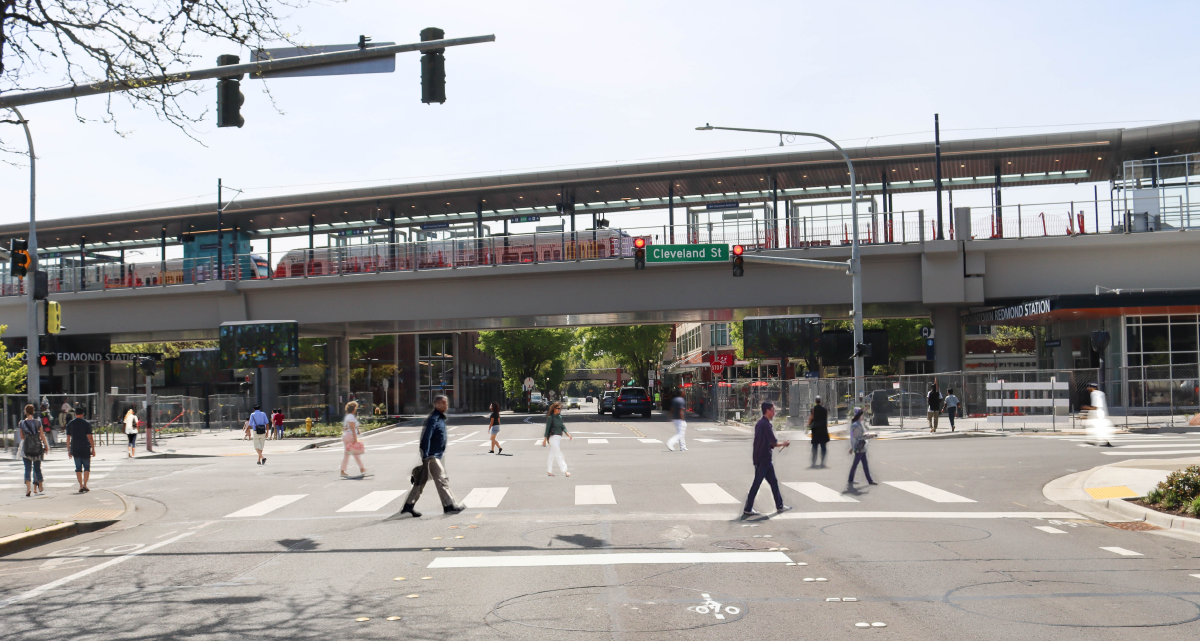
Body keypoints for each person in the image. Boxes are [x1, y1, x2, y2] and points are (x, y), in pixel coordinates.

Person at [401, 395, 464, 518]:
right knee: (442, 480)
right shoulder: (434, 419)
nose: (446, 405)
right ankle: (449, 506)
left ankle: (408, 506)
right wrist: (426, 455)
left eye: (446, 402)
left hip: (434, 455)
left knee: (420, 482)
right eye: (443, 403)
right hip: (431, 456)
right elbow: (426, 437)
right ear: (436, 405)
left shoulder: (439, 418)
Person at [743, 401, 792, 517]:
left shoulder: (760, 424)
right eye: (773, 410)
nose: (774, 413)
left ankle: (779, 505)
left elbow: (764, 442)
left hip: (762, 458)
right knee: (757, 483)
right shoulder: (765, 425)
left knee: (773, 482)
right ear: (767, 411)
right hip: (763, 458)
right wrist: (784, 444)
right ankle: (748, 508)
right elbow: (773, 442)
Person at [19, 404, 47, 496]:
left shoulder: (22, 423)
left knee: (27, 469)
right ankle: (41, 485)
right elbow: (42, 435)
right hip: (37, 447)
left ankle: (28, 490)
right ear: (33, 411)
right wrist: (45, 445)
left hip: (26, 448)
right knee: (37, 467)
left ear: (25, 412)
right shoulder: (38, 422)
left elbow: (22, 437)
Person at [65, 406, 95, 493]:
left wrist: (68, 450)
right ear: (82, 414)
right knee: (86, 468)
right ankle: (85, 484)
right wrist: (93, 448)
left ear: (75, 414)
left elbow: (68, 439)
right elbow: (90, 437)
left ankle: (80, 485)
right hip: (85, 447)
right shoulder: (86, 423)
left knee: (78, 468)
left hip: (75, 448)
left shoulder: (70, 424)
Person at [846, 407, 877, 490]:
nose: (863, 416)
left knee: (864, 465)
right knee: (856, 465)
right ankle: (851, 479)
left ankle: (869, 480)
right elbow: (857, 438)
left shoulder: (858, 424)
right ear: (859, 415)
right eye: (862, 414)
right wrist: (869, 436)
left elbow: (857, 437)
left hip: (861, 448)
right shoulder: (856, 425)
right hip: (859, 448)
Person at [543, 401, 572, 476]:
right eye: (558, 408)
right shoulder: (550, 418)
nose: (559, 410)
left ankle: (549, 471)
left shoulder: (559, 417)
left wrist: (568, 434)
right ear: (554, 409)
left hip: (559, 438)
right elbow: (547, 429)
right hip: (553, 438)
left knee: (552, 455)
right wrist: (545, 439)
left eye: (560, 408)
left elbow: (562, 426)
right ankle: (565, 471)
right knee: (559, 455)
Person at [1082, 382, 1115, 447]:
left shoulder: (1094, 394)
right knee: (1098, 428)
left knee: (1095, 428)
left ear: (1092, 388)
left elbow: (1096, 406)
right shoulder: (1101, 393)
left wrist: (1086, 407)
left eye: (1089, 387)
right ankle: (1101, 441)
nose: (1088, 389)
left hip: (1098, 414)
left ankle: (1094, 441)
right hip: (1102, 413)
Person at [341, 401, 367, 476]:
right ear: (353, 409)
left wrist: (357, 430)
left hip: (346, 435)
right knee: (356, 452)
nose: (356, 409)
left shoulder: (347, 417)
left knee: (347, 454)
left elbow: (350, 427)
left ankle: (343, 470)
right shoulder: (351, 417)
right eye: (355, 408)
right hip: (350, 436)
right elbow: (352, 428)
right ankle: (362, 468)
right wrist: (355, 438)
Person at [807, 396, 830, 468]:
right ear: (820, 401)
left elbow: (811, 418)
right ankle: (822, 462)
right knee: (823, 446)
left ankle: (813, 462)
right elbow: (826, 419)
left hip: (816, 430)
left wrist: (808, 425)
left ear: (815, 401)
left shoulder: (813, 409)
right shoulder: (824, 410)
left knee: (815, 446)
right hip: (823, 430)